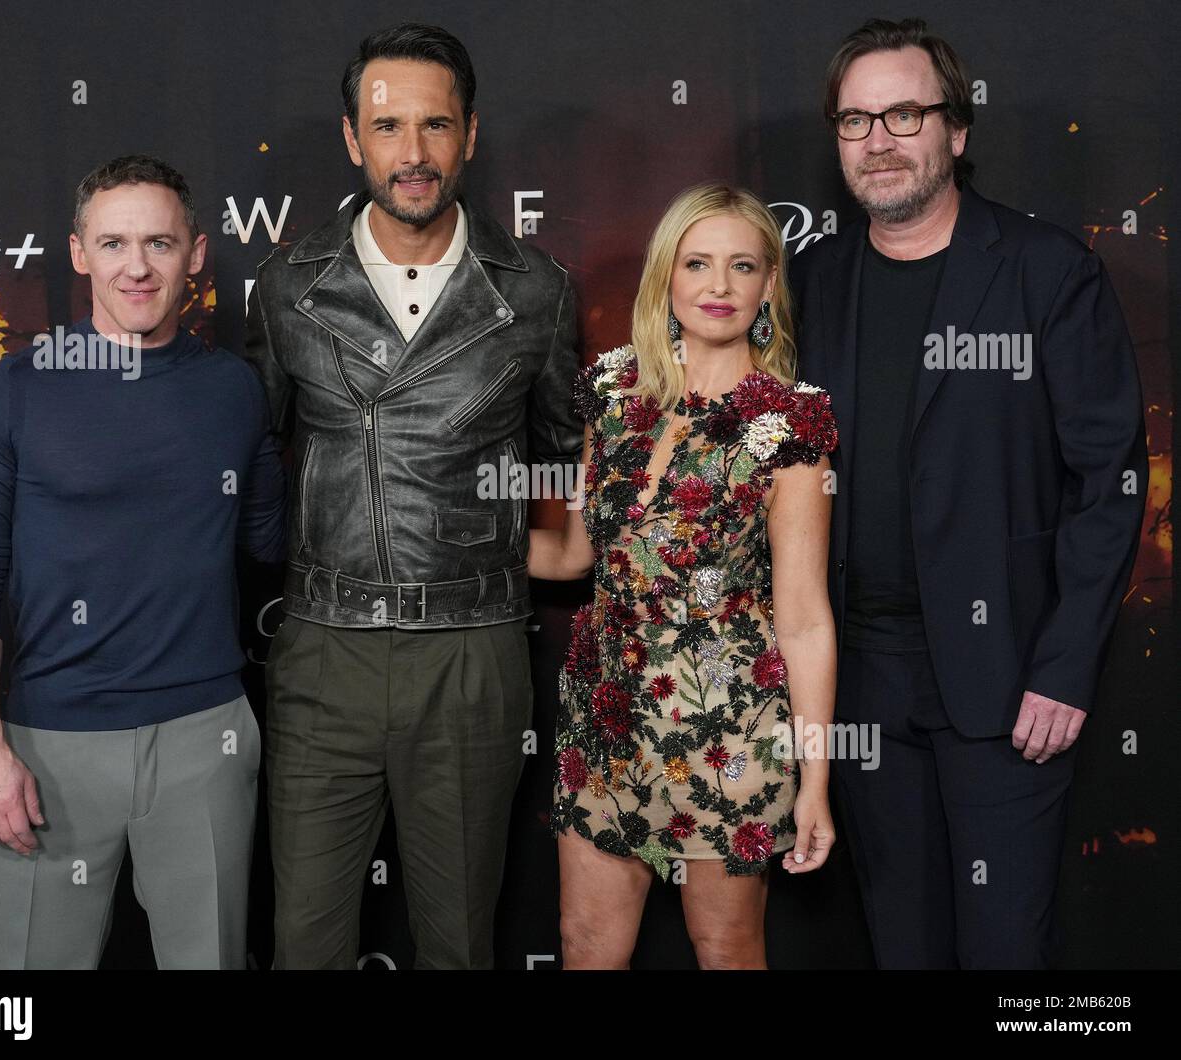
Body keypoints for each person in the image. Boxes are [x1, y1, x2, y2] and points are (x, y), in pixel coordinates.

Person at [790, 18, 1148, 968]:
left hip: (1007, 683)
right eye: (856, 120)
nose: (878, 140)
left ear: (957, 131)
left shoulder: (1046, 272)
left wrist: (1065, 667)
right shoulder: (812, 281)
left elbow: (1109, 483)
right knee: (902, 947)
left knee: (1003, 955)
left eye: (904, 113)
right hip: (859, 678)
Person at [243, 22, 583, 969]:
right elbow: (260, 458)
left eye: (436, 127)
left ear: (470, 134)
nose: (414, 154)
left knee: (459, 941)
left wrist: (504, 544)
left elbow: (564, 460)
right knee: (305, 941)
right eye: (389, 128)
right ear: (354, 141)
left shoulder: (538, 290)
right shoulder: (287, 284)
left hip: (472, 655)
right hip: (323, 651)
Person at [0, 154, 286, 969]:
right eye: (115, 243)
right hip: (47, 743)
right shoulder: (8, 392)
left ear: (196, 254)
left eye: (160, 243)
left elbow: (268, 544)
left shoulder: (235, 390)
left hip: (206, 740)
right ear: (78, 253)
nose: (138, 266)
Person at [533, 183, 839, 969]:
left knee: (727, 947)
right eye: (698, 263)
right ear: (667, 277)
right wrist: (443, 544)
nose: (719, 286)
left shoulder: (787, 426)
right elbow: (574, 556)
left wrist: (815, 781)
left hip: (729, 734)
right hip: (604, 722)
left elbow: (803, 618)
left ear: (769, 284)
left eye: (743, 267)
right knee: (586, 944)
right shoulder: (612, 395)